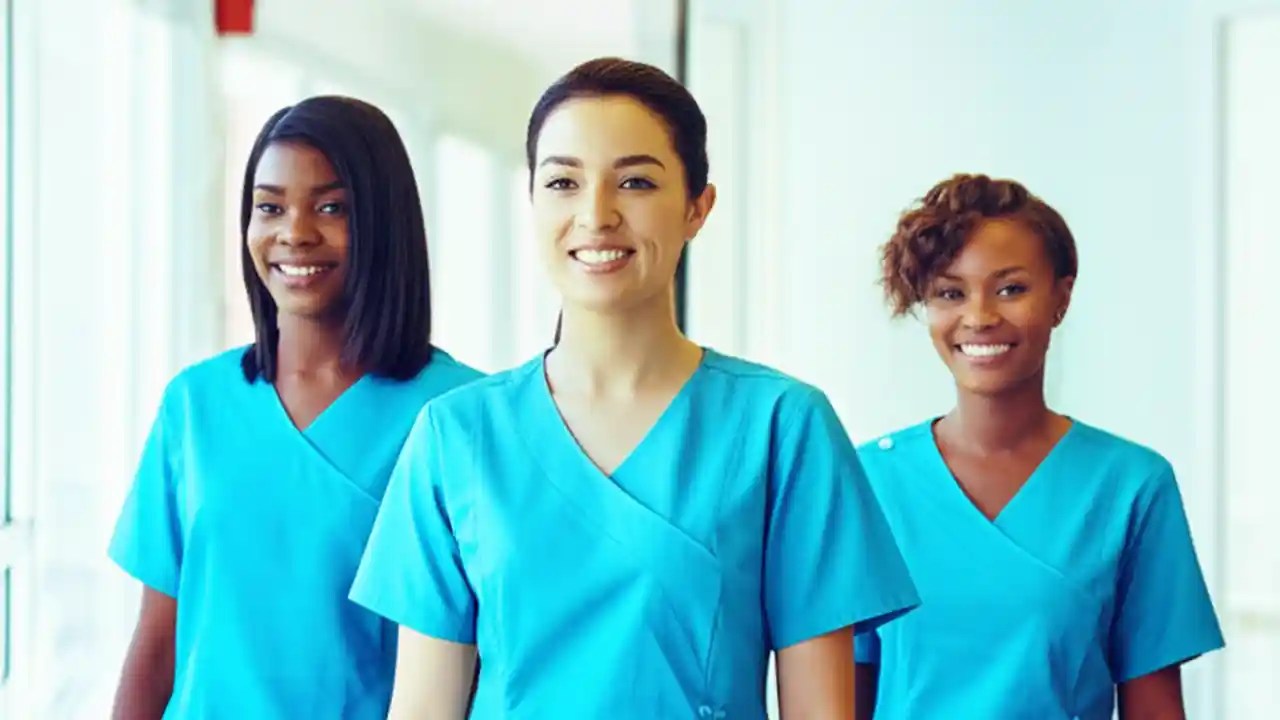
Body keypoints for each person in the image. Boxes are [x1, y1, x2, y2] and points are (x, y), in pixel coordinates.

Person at [349, 57, 919, 719]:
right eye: (563, 181)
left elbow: (820, 712)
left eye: (636, 182)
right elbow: (423, 708)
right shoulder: (457, 436)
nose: (596, 215)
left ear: (697, 207)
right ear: (532, 199)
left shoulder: (781, 427)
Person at [108, 96, 482, 719]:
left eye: (331, 207)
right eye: (270, 206)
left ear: (384, 222)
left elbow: (477, 665)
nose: (295, 232)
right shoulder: (196, 406)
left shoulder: (459, 415)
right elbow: (156, 646)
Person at [854, 173, 1225, 719]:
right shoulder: (866, 483)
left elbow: (1155, 708)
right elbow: (839, 701)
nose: (979, 316)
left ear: (1061, 296)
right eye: (950, 293)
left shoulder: (1131, 487)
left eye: (1010, 289)